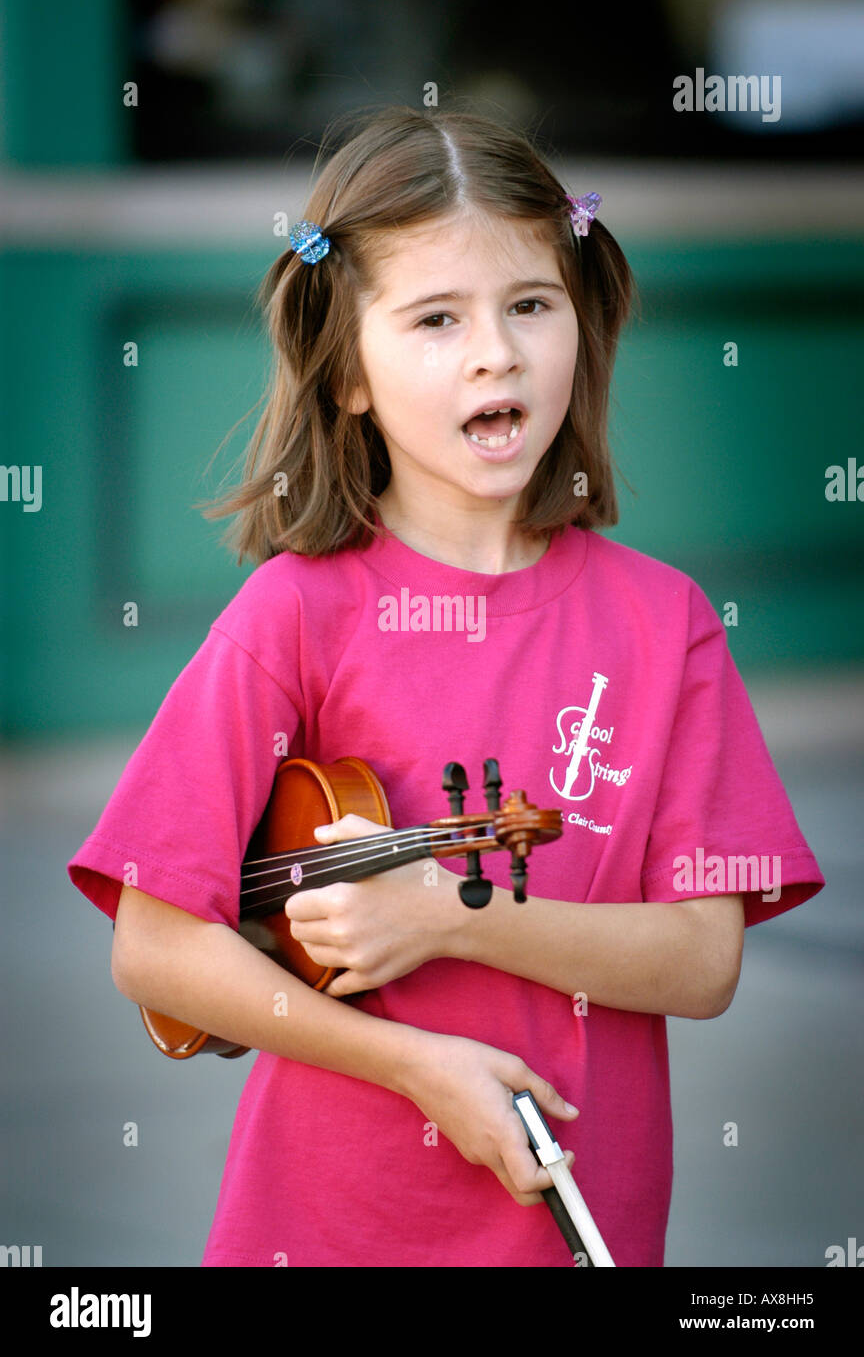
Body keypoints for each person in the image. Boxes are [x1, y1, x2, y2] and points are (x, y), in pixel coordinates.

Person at [67, 104, 824, 1268]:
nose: (497, 352)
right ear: (351, 376)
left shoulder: (663, 622)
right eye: (435, 318)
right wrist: (419, 1065)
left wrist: (454, 914)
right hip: (330, 1226)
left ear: (584, 322)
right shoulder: (297, 615)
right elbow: (157, 947)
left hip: (585, 1216)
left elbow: (702, 959)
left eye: (531, 304)